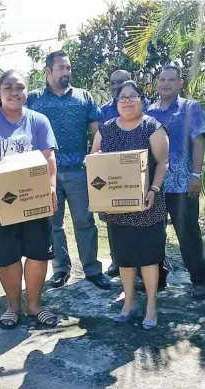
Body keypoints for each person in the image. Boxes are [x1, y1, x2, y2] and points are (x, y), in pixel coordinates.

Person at [0, 69, 59, 329]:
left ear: (26, 92)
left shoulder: (39, 121)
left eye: (19, 87)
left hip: (34, 203)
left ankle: (34, 304)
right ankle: (13, 305)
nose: (14, 92)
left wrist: (51, 188)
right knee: (7, 257)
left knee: (37, 254)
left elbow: (48, 158)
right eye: (8, 87)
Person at [27, 50, 110, 290]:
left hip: (78, 170)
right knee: (53, 224)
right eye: (61, 68)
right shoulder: (34, 99)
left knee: (85, 221)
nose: (66, 72)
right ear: (48, 71)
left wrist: (95, 159)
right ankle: (60, 270)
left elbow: (98, 132)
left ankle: (92, 269)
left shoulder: (84, 97)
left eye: (68, 67)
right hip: (44, 173)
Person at [92, 80, 169, 330]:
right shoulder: (105, 129)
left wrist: (153, 190)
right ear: (116, 103)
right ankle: (129, 302)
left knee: (147, 258)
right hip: (117, 208)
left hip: (147, 206)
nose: (127, 100)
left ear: (142, 100)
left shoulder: (153, 127)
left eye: (132, 96)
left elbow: (163, 163)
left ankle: (151, 307)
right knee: (124, 258)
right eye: (122, 97)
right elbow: (94, 162)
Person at [147, 65, 205, 299]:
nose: (166, 84)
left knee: (187, 232)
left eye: (171, 80)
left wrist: (196, 175)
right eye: (162, 79)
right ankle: (157, 280)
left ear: (180, 84)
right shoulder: (148, 112)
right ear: (156, 83)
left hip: (182, 183)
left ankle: (199, 279)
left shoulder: (190, 108)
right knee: (153, 234)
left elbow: (198, 141)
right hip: (154, 185)